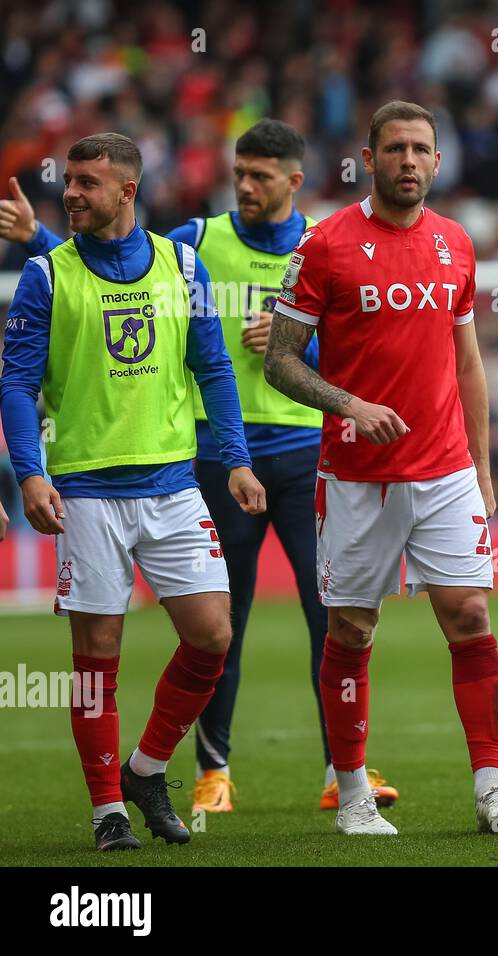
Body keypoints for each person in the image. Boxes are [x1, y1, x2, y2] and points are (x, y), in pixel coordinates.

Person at [0, 120, 400, 814]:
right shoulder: (195, 242)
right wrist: (38, 240)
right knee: (226, 623)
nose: (244, 185)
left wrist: (295, 350)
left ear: (294, 182)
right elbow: (104, 272)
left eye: (260, 175)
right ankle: (212, 771)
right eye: (238, 171)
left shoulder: (322, 247)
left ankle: (344, 771)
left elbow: (353, 349)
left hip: (307, 449)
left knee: (330, 614)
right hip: (215, 455)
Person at [264, 100, 498, 836]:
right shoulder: (324, 247)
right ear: (369, 158)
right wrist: (349, 404)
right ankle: (352, 795)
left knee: (471, 616)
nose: (409, 161)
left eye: (421, 149)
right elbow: (278, 359)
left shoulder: (456, 245)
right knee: (351, 629)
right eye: (395, 149)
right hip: (356, 478)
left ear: (438, 163)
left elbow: (468, 363)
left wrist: (483, 468)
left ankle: (491, 792)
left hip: (445, 472)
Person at [0, 132, 266, 850]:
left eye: (88, 182)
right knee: (98, 656)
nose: (71, 192)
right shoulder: (46, 276)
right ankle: (108, 811)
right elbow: (18, 383)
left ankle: (147, 769)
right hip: (86, 493)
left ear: (126, 191)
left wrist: (237, 461)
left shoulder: (182, 264)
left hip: (175, 485)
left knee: (212, 636)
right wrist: (30, 471)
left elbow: (213, 369)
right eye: (70, 181)